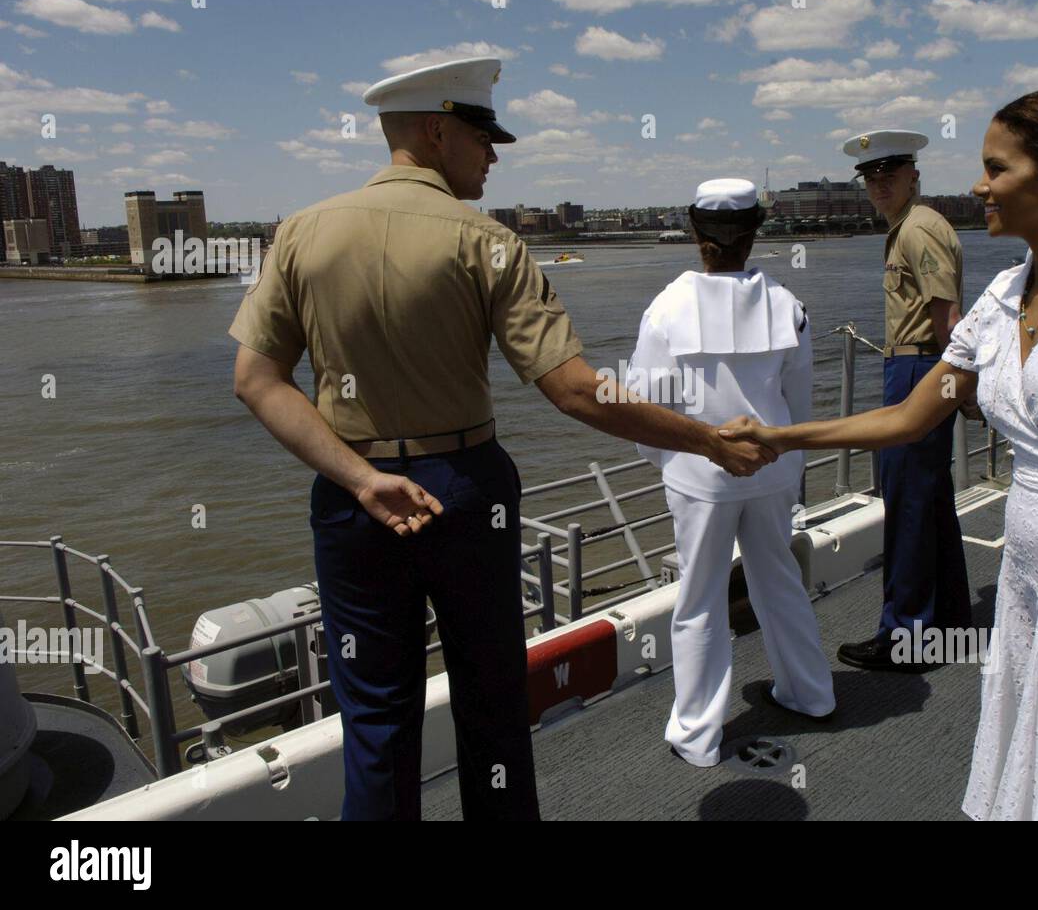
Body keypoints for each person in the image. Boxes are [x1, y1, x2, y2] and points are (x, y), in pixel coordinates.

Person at [228, 57, 773, 820]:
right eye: (482, 137)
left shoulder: (299, 233)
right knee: (490, 705)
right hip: (464, 492)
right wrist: (706, 438)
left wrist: (358, 477)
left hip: (355, 504)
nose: (492, 154)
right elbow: (576, 388)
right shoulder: (487, 242)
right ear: (435, 130)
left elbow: (257, 380)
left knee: (376, 722)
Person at [723, 88, 1038, 820]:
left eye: (996, 168)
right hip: (1029, 579)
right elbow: (906, 417)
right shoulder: (998, 301)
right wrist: (778, 437)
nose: (980, 186)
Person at [627, 179, 835, 767]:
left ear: (697, 234)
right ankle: (811, 693)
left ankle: (696, 735)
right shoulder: (788, 306)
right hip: (772, 470)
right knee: (780, 583)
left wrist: (673, 466)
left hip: (699, 478)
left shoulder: (665, 308)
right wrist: (786, 465)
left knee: (699, 600)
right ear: (753, 234)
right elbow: (800, 406)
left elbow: (648, 411)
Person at [834, 129, 971, 672]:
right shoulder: (910, 227)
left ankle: (906, 635)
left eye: (889, 172)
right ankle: (952, 625)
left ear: (914, 174)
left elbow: (949, 318)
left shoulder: (919, 229)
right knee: (930, 499)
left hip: (918, 366)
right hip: (917, 363)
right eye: (870, 175)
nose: (878, 184)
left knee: (909, 502)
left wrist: (956, 384)